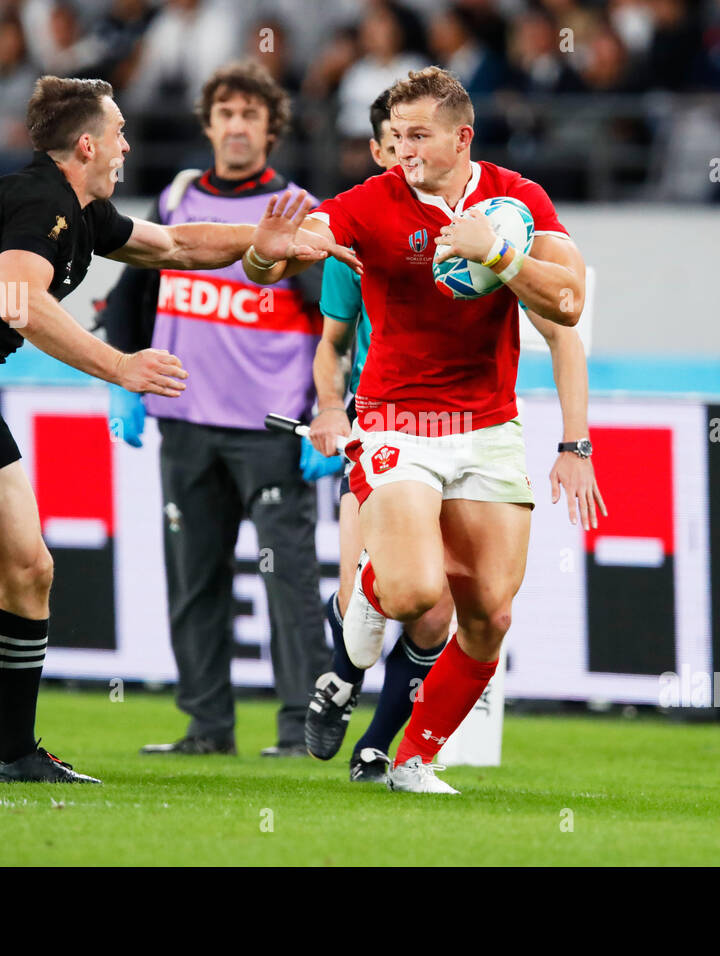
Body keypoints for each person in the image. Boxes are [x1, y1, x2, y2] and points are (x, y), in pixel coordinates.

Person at [0, 75, 356, 784]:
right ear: (86, 144)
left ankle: (16, 755)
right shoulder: (39, 201)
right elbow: (22, 302)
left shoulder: (85, 210)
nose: (126, 146)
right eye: (117, 134)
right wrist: (118, 366)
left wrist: (261, 238)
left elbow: (175, 244)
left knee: (29, 571)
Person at [245, 66, 589, 794]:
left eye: (419, 136)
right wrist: (271, 249)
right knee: (413, 593)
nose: (403, 150)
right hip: (398, 422)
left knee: (489, 612)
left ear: (462, 138)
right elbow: (297, 243)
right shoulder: (372, 203)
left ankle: (410, 759)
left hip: (489, 425)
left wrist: (496, 253)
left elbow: (568, 302)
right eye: (396, 136)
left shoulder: (517, 201)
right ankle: (348, 663)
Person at [100, 60, 330, 759]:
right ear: (208, 125)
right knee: (194, 582)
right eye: (225, 113)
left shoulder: (299, 211)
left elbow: (337, 318)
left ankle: (301, 732)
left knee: (286, 583)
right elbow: (132, 296)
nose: (236, 126)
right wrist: (123, 376)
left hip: (270, 431)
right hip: (187, 425)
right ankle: (207, 729)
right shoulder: (173, 200)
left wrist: (331, 406)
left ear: (270, 129)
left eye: (250, 115)